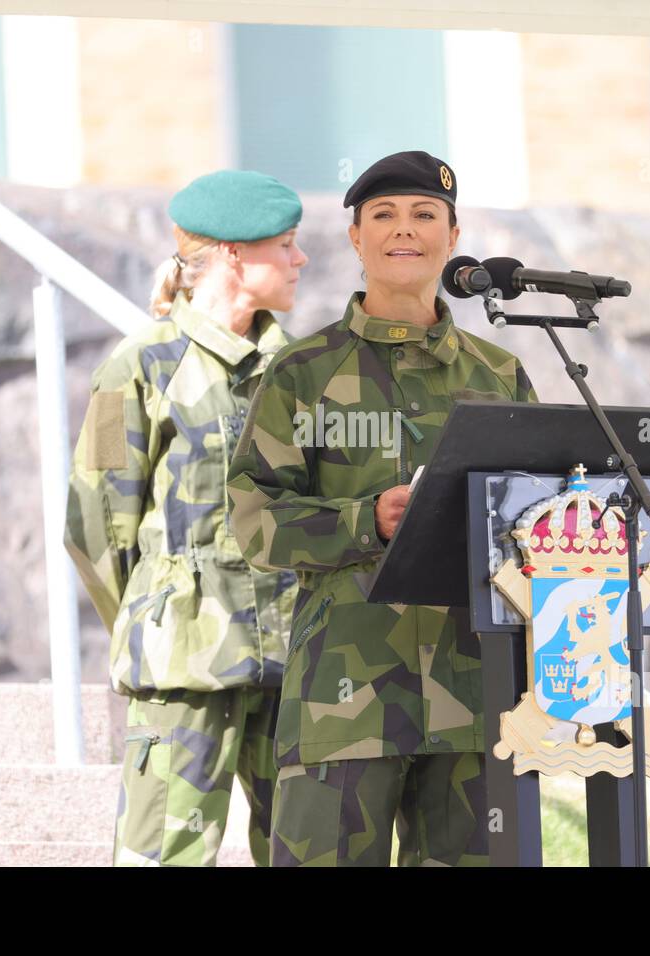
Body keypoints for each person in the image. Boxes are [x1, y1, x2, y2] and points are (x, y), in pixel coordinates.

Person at [226, 150, 538, 866]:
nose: (406, 231)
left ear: (453, 238)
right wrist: (367, 522)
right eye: (385, 216)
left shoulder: (498, 375)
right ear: (356, 238)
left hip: (474, 696)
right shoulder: (303, 373)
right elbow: (253, 519)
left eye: (425, 215)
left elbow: (535, 520)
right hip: (347, 699)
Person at [65, 170, 308, 866]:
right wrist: (158, 616)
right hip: (183, 668)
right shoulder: (138, 365)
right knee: (161, 855)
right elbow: (94, 521)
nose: (302, 259)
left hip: (291, 659)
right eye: (286, 245)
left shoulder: (300, 369)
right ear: (234, 254)